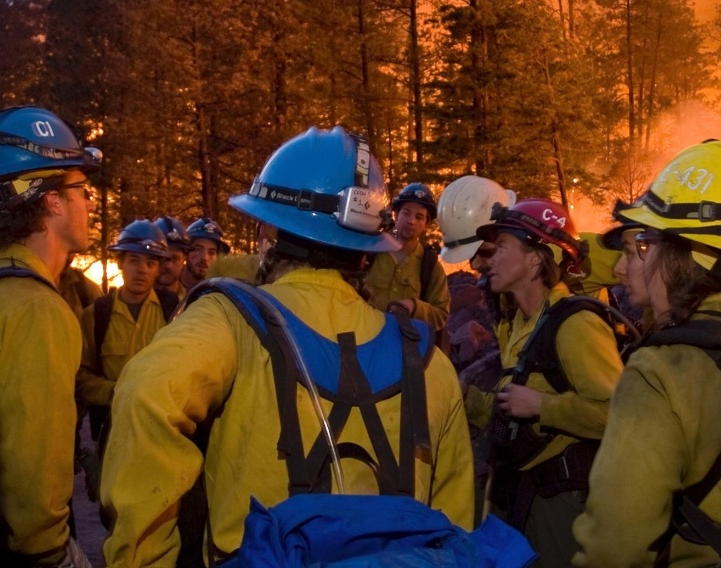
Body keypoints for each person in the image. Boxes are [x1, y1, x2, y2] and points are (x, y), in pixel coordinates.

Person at [101, 127, 475, 567]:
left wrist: (145, 557)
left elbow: (145, 391)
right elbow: (454, 530)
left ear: (269, 228)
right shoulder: (431, 364)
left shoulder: (229, 322)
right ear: (367, 252)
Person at [571, 140, 721, 568]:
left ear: (685, 252)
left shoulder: (660, 370)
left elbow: (614, 547)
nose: (637, 261)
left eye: (647, 243)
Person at [0, 107, 102, 568]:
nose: (90, 204)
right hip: (18, 546)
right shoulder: (37, 310)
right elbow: (31, 468)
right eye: (82, 190)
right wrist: (48, 550)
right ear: (52, 201)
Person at [465, 199, 622, 568]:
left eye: (501, 247)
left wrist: (543, 408)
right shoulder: (518, 323)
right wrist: (467, 400)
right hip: (523, 495)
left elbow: (620, 416)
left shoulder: (575, 324)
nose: (489, 259)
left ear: (536, 259)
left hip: (562, 503)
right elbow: (513, 403)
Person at [79, 219, 178, 437]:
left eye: (150, 263)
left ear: (158, 269)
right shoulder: (96, 316)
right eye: (134, 260)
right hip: (112, 431)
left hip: (161, 430)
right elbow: (80, 377)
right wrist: (115, 392)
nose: (142, 270)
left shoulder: (174, 312)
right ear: (120, 263)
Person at [362, 181, 450, 332]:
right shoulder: (371, 250)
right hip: (363, 337)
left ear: (426, 224)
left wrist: (414, 306)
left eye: (419, 217)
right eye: (406, 213)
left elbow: (441, 315)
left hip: (403, 348)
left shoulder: (430, 266)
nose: (411, 221)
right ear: (396, 214)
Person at [178, 216, 228, 292]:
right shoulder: (166, 285)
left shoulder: (219, 294)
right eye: (197, 249)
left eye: (211, 253)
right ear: (186, 253)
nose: (204, 258)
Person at [152, 215, 189, 310]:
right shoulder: (135, 301)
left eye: (175, 258)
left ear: (183, 260)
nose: (168, 265)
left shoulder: (192, 302)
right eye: (163, 258)